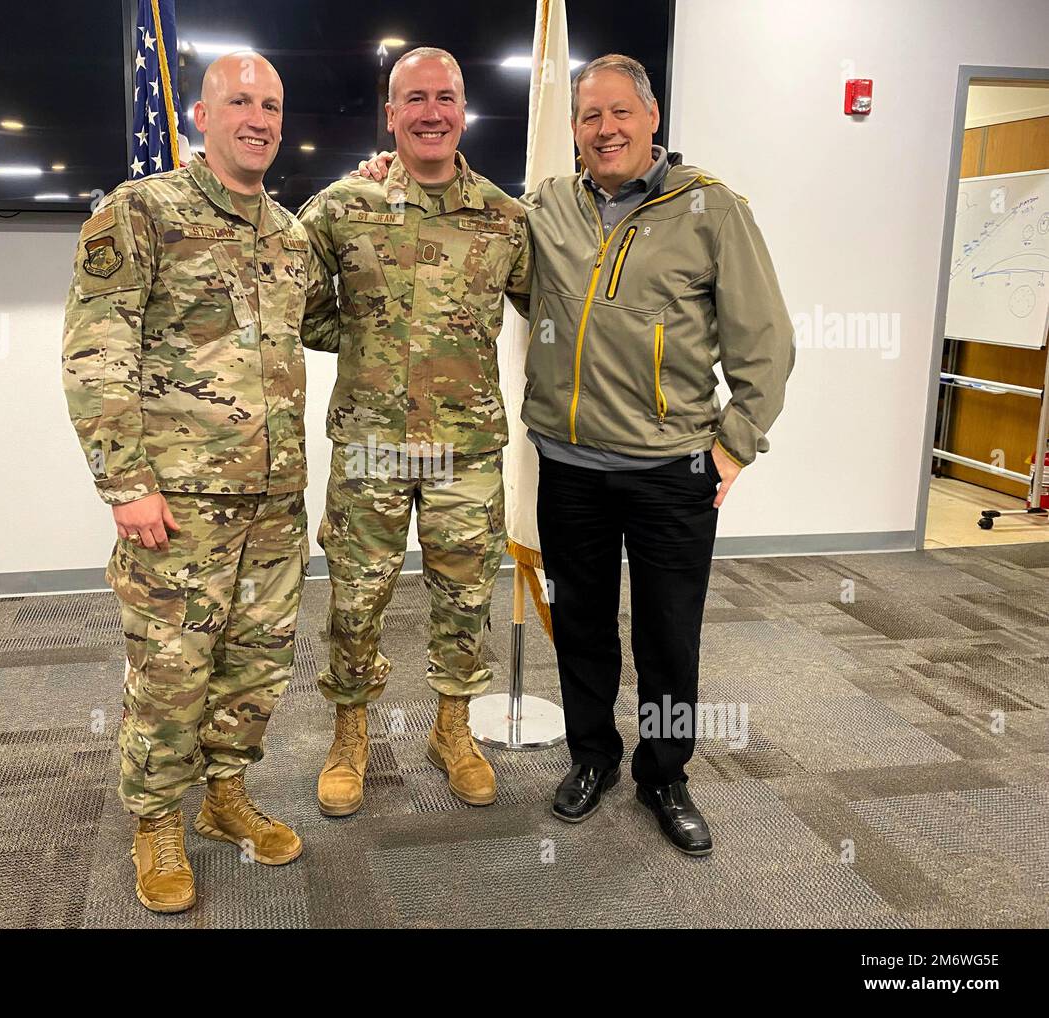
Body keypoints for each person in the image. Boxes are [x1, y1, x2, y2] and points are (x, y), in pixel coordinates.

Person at [357, 53, 794, 855]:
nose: (606, 129)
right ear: (574, 130)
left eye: (621, 112)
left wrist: (734, 449)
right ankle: (593, 757)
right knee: (582, 627)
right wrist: (394, 174)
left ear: (652, 118)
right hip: (569, 469)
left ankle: (666, 775)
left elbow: (766, 343)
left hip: (671, 469)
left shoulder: (711, 210)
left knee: (669, 635)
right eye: (590, 117)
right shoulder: (545, 208)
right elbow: (466, 222)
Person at [61, 51, 335, 912]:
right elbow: (96, 350)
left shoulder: (289, 234)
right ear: (202, 117)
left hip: (274, 498)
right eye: (240, 102)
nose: (258, 118)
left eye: (272, 105)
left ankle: (224, 798)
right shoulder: (140, 212)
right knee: (172, 670)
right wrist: (124, 481)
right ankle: (153, 820)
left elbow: (333, 324)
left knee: (255, 666)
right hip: (176, 505)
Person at [296, 47, 531, 817]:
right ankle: (349, 735)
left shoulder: (504, 217)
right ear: (389, 115)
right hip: (371, 443)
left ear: (464, 111)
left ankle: (452, 731)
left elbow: (555, 311)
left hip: (465, 447)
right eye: (414, 99)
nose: (432, 112)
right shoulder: (340, 207)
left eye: (446, 98)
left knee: (465, 596)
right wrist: (367, 336)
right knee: (357, 597)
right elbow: (292, 303)